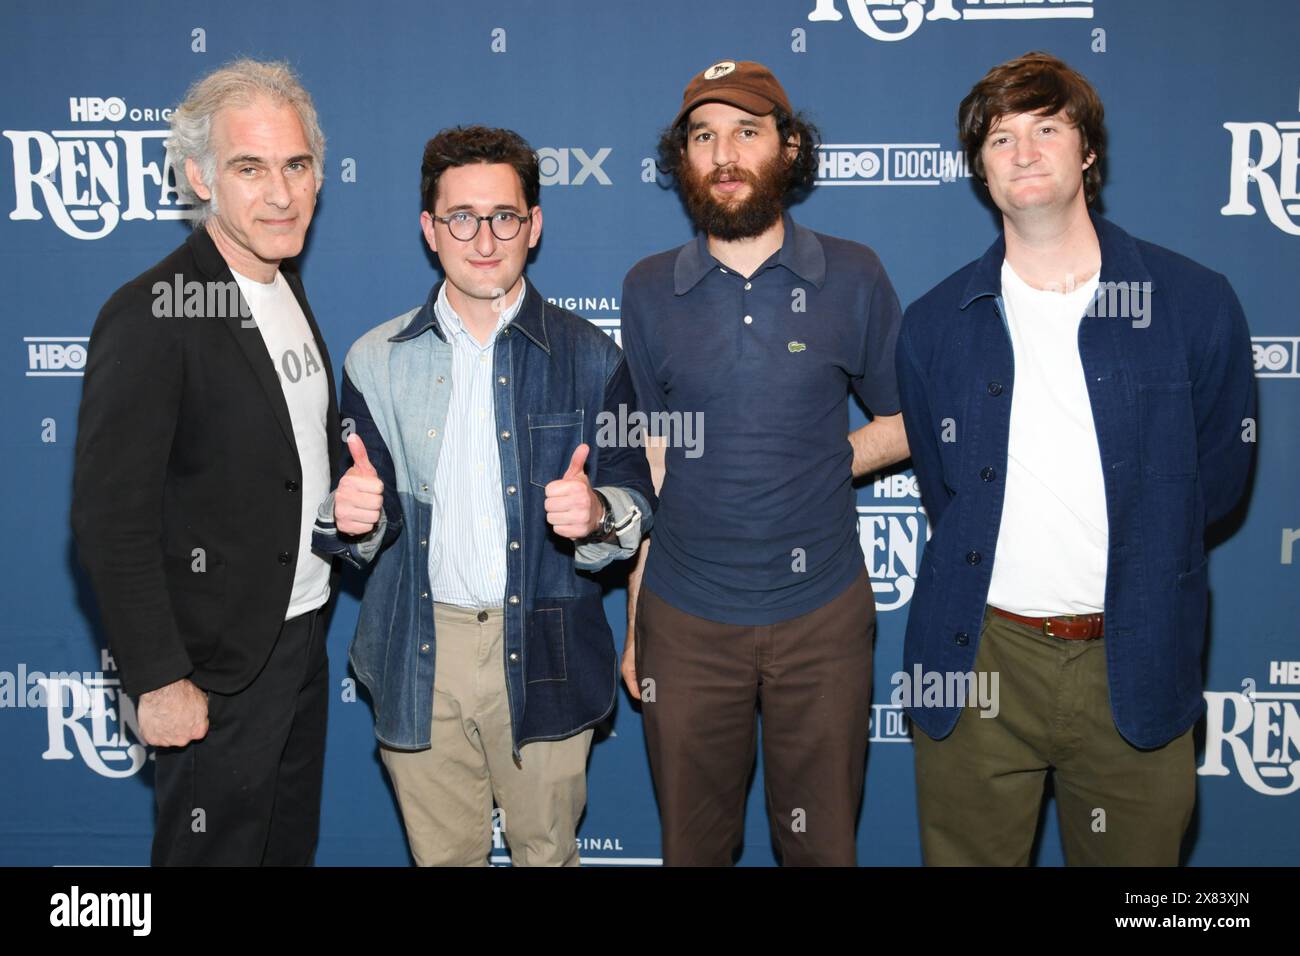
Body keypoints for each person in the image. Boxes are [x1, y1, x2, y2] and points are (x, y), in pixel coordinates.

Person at [895, 51, 1256, 865]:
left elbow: (1218, 481)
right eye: (999, 138)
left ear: (1088, 150)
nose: (1023, 152)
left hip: (1137, 654)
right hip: (978, 654)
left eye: (1047, 128)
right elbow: (943, 491)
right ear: (979, 169)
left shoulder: (1193, 303)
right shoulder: (933, 324)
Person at [311, 125, 655, 867]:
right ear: (429, 230)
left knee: (545, 855)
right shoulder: (374, 359)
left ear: (534, 223)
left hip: (546, 647)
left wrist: (598, 514)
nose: (485, 238)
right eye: (461, 217)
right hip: (417, 649)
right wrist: (353, 518)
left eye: (504, 216)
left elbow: (635, 492)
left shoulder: (594, 356)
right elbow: (365, 524)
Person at [619, 60, 910, 866]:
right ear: (684, 161)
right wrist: (639, 614)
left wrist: (821, 460)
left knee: (820, 850)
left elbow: (906, 419)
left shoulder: (854, 275)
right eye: (704, 137)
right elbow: (651, 458)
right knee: (695, 849)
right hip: (685, 620)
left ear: (788, 147)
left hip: (821, 617)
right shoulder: (647, 289)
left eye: (747, 131)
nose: (724, 154)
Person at [71, 59, 336, 866]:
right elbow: (108, 518)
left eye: (295, 166)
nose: (280, 194)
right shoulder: (154, 310)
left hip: (297, 640)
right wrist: (159, 679)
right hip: (212, 673)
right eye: (248, 168)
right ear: (198, 176)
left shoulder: (282, 284)